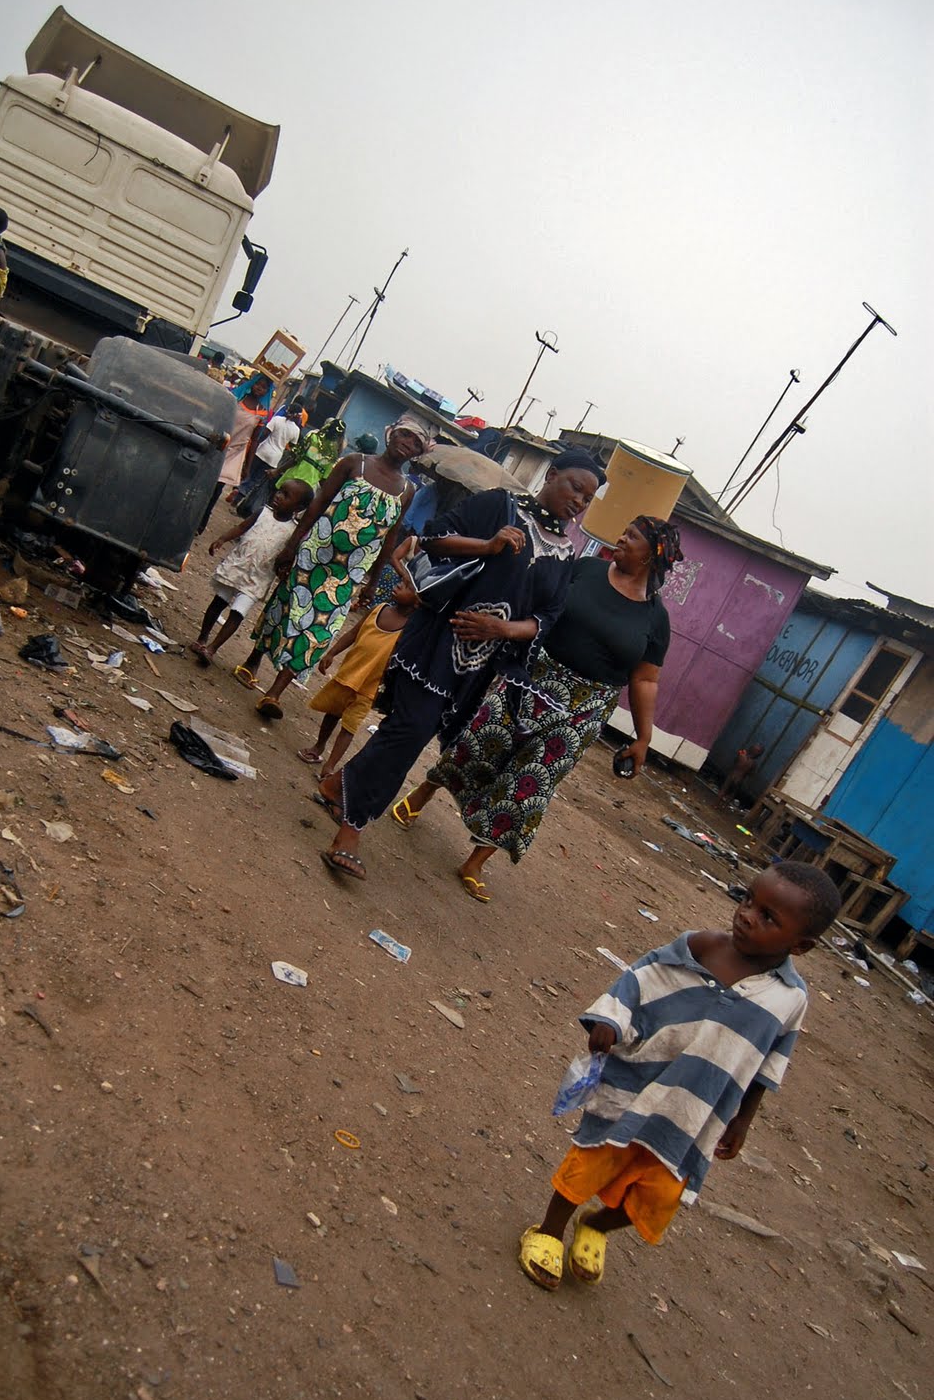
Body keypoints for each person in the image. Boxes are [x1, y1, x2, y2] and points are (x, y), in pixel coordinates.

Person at [517, 861, 842, 1292]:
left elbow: (768, 1063)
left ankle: (596, 1224)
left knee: (659, 1194)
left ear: (801, 946)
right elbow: (643, 978)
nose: (747, 915)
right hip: (637, 1085)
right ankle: (549, 1231)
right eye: (748, 900)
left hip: (695, 1112)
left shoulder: (789, 999)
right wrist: (612, 1018)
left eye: (767, 917)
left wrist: (743, 1120)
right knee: (592, 1162)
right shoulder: (702, 947)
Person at [315, 450, 603, 882]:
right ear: (552, 474)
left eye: (588, 498)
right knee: (408, 733)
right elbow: (432, 538)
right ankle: (351, 829)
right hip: (435, 642)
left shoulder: (566, 556)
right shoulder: (499, 505)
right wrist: (488, 545)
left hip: (479, 670)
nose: (579, 501)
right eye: (576, 488)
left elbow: (546, 618)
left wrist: (502, 629)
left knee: (410, 734)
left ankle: (336, 786)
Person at [391, 513, 681, 902]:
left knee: (532, 782)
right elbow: (541, 608)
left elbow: (645, 680)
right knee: (479, 742)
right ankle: (423, 793)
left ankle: (476, 861)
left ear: (651, 555)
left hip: (585, 709)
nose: (621, 538)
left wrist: (643, 738)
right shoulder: (587, 570)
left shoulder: (655, 618)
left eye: (632, 537)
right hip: (532, 677)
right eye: (624, 531)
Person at [235, 414, 431, 714]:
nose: (408, 443)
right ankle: (254, 659)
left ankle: (274, 693)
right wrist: (292, 544)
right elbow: (319, 503)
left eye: (416, 443)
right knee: (284, 609)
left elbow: (390, 536)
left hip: (347, 574)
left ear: (418, 454)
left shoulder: (407, 491)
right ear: (391, 433)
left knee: (319, 630)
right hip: (313, 556)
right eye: (405, 435)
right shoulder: (354, 463)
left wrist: (373, 581)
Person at [298, 543, 419, 777]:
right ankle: (318, 746)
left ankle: (331, 765)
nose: (397, 585)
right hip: (348, 673)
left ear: (417, 602)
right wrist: (331, 653)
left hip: (369, 687)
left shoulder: (409, 630)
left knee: (349, 726)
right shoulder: (379, 609)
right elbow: (353, 634)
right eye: (400, 582)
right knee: (332, 712)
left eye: (405, 586)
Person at [190, 478, 313, 666]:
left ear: (299, 507)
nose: (278, 496)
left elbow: (287, 557)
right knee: (218, 602)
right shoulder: (263, 512)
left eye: (286, 495)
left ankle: (212, 649)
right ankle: (202, 638)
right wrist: (222, 539)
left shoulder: (293, 531)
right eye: (280, 491)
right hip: (238, 567)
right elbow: (242, 527)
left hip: (258, 579)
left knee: (237, 613)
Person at [197, 373, 274, 534]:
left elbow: (254, 440)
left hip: (235, 453)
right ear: (252, 383)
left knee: (217, 489)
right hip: (218, 445)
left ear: (267, 392)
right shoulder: (235, 399)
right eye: (258, 384)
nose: (259, 388)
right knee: (202, 481)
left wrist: (248, 466)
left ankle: (201, 522)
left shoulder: (262, 413)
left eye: (263, 387)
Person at [235, 399, 305, 513]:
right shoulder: (296, 430)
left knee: (249, 474)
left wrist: (255, 445)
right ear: (298, 416)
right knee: (257, 480)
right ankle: (242, 501)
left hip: (262, 451)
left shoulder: (277, 420)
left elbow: (264, 434)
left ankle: (237, 494)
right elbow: (293, 447)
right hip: (274, 458)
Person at [276, 413, 347, 492]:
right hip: (306, 490)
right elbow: (323, 480)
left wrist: (277, 471)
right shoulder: (333, 455)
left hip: (291, 479)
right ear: (340, 437)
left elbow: (295, 458)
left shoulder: (313, 438)